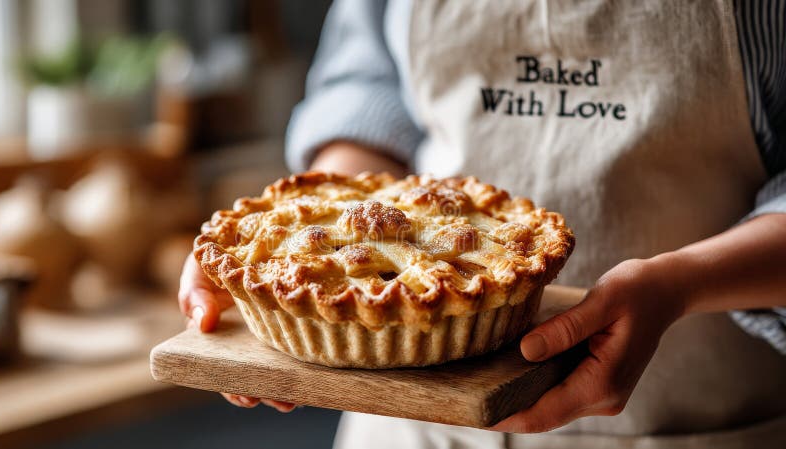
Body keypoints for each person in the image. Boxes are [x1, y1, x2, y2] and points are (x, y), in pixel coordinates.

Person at [179, 0, 786, 447]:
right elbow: (370, 81)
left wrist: (682, 283)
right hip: (406, 431)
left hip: (692, 409)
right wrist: (314, 223)